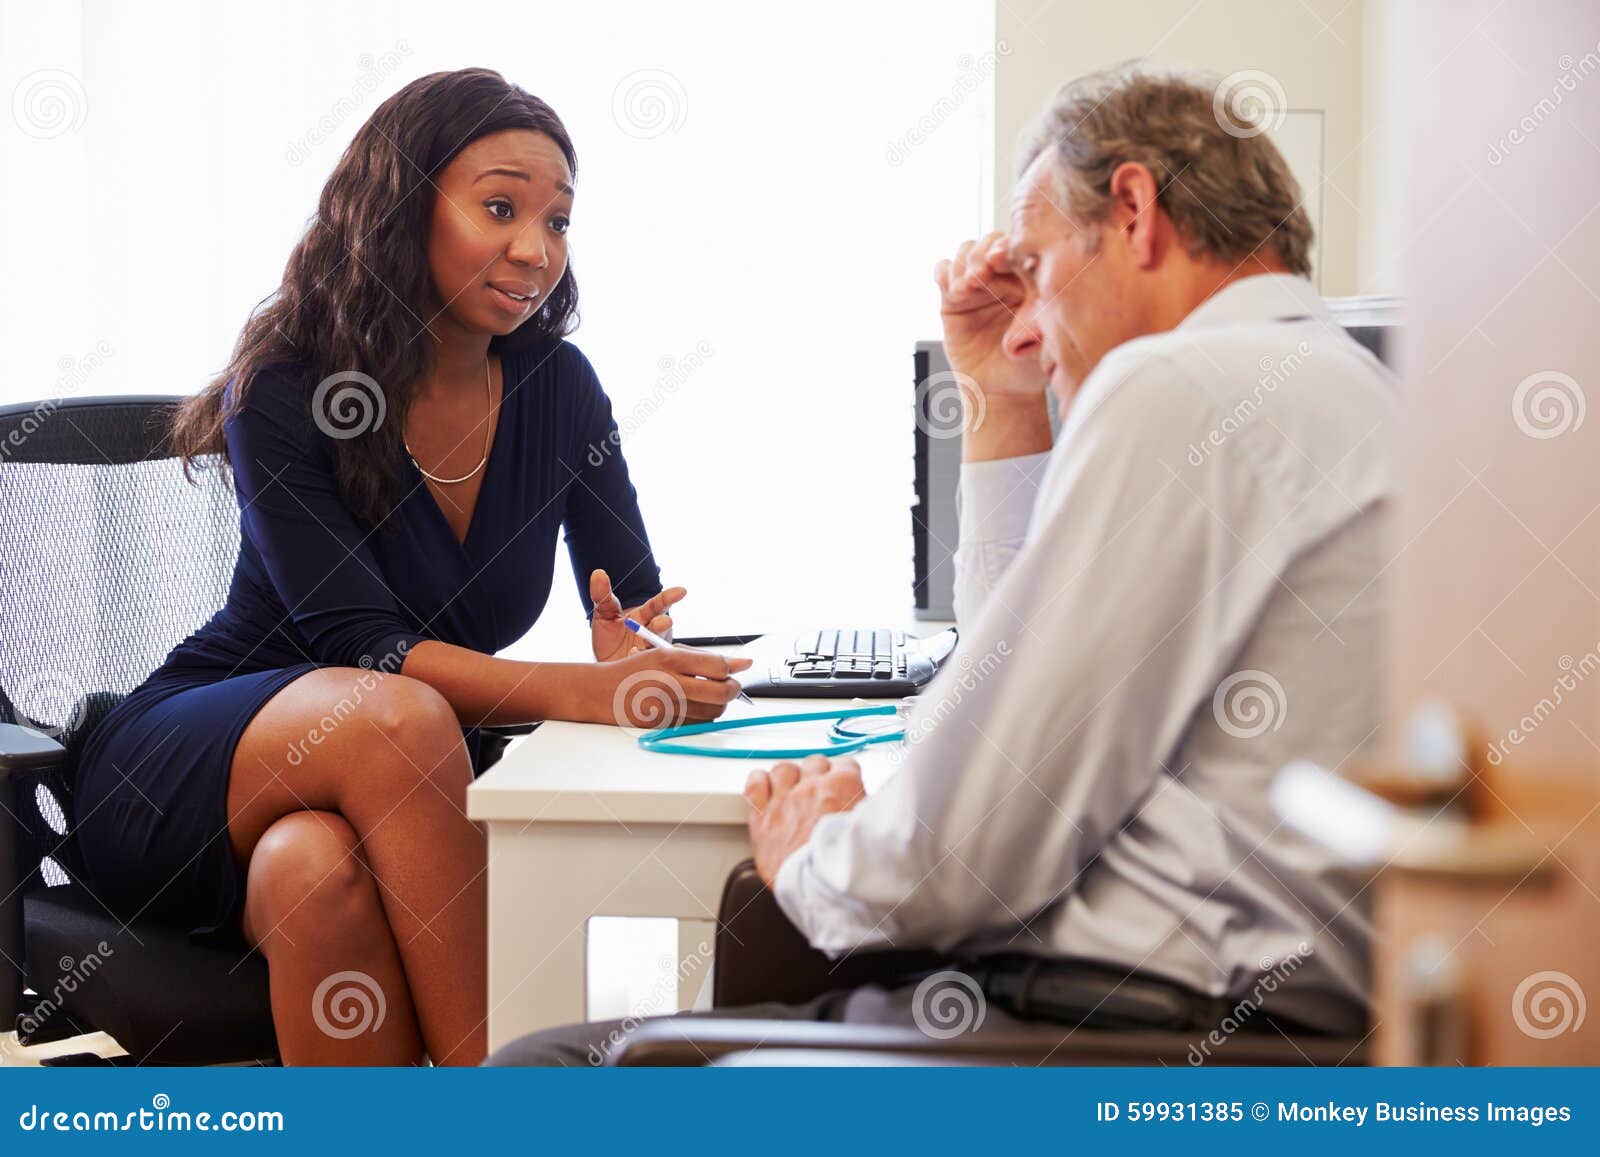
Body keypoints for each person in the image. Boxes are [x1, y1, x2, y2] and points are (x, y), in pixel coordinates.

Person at [489, 65, 1395, 1066]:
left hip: (1106, 1031)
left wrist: (810, 860)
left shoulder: (1181, 387)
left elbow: (952, 862)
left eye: (1041, 270)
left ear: (1133, 210)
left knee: (544, 1066)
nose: (1028, 324)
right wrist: (1002, 400)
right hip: (1210, 1022)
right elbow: (1020, 679)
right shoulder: (1338, 391)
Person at [72, 68, 749, 1067]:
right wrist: (589, 691)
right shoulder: (287, 387)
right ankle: (517, 1105)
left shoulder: (555, 387)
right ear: (402, 208)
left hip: (374, 785)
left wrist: (634, 644)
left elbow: (630, 595)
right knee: (393, 714)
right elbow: (367, 651)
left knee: (312, 867)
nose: (537, 249)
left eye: (558, 221)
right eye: (501, 206)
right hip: (192, 761)